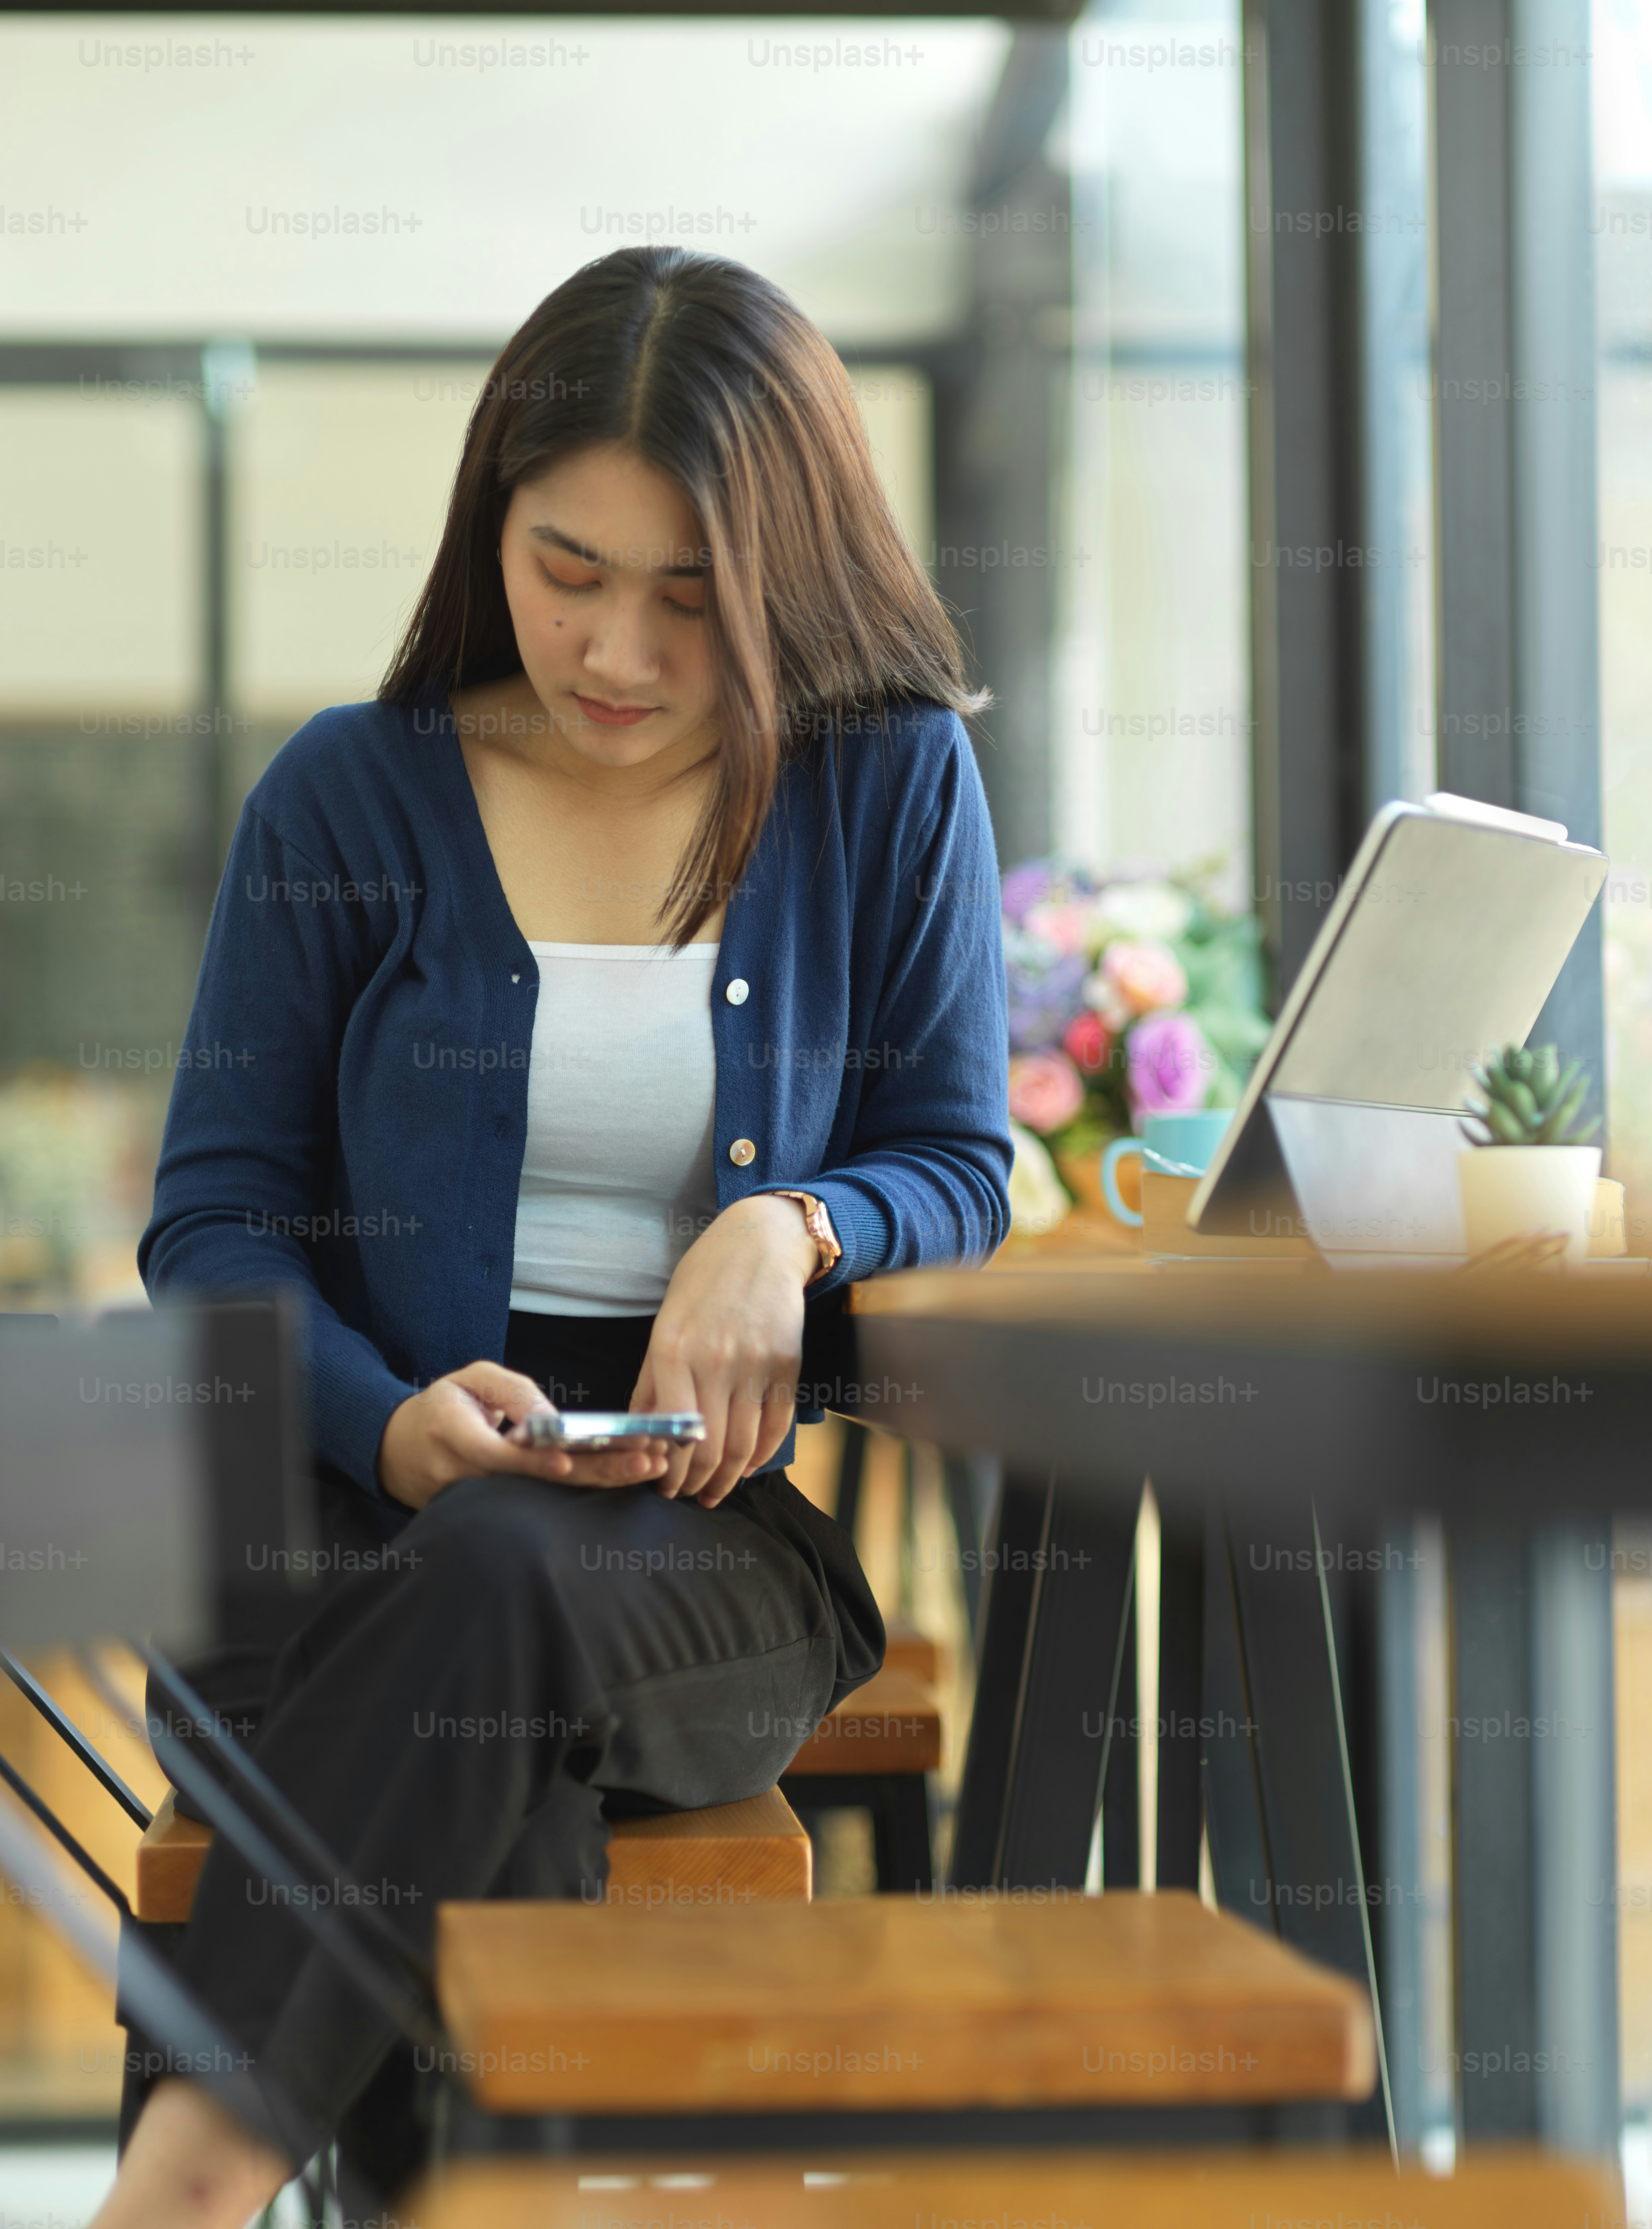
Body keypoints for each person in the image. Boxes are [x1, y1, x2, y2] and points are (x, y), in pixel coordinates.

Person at [98, 244, 1011, 2229]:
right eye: (565, 567)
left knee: (486, 1596)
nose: (616, 649)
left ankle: (188, 2172)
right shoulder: (354, 792)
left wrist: (791, 1224)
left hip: (702, 1535)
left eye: (692, 594)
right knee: (469, 1670)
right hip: (344, 1500)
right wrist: (388, 1418)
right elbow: (218, 1218)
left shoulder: (886, 785)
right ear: (488, 526)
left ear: (793, 571)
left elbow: (960, 1158)